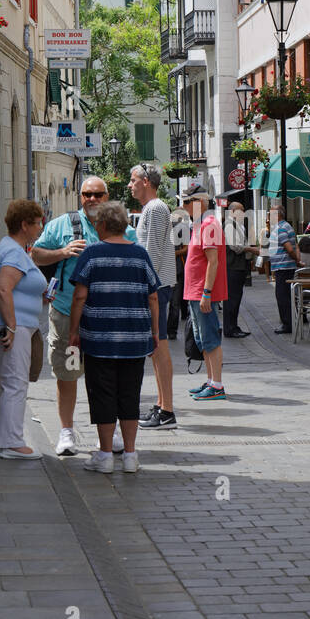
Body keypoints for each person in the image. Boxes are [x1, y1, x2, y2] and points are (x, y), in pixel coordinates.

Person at [31, 177, 135, 455]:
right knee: (68, 372)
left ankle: (108, 432)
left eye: (97, 194)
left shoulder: (122, 227)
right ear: (80, 196)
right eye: (86, 194)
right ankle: (66, 432)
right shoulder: (61, 225)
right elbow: (36, 254)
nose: (92, 199)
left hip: (107, 318)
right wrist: (62, 252)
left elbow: (135, 258)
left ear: (107, 195)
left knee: (107, 376)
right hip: (66, 314)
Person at [68, 201, 160, 473]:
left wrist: (73, 331)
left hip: (99, 340)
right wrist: (154, 332)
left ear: (103, 226)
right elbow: (153, 297)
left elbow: (80, 295)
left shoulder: (92, 254)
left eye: (97, 223)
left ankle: (105, 455)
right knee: (130, 396)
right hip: (134, 339)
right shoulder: (141, 255)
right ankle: (130, 456)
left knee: (103, 395)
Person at [0, 200, 48, 460]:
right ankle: (12, 443)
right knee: (16, 383)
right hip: (11, 325)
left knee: (7, 382)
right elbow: (3, 289)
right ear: (24, 225)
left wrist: (38, 298)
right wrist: (11, 325)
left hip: (12, 322)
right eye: (38, 222)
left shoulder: (14, 249)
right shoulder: (14, 252)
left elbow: (13, 288)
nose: (41, 227)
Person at [129, 162, 178, 428]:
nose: (129, 184)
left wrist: (145, 287)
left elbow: (154, 253)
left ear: (146, 181)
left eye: (133, 179)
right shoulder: (152, 209)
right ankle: (161, 405)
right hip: (156, 286)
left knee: (159, 347)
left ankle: (167, 410)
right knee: (156, 348)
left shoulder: (156, 208)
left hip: (156, 287)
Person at [183, 179, 228, 399]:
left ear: (199, 202)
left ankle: (217, 385)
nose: (183, 207)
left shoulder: (209, 224)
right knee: (202, 338)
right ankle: (211, 381)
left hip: (202, 291)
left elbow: (213, 262)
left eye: (187, 202)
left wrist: (207, 292)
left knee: (209, 337)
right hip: (196, 291)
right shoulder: (201, 224)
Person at [223, 201, 257, 337]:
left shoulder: (238, 225)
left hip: (239, 267)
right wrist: (251, 249)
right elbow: (235, 247)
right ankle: (230, 328)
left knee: (236, 298)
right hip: (232, 267)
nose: (243, 213)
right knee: (232, 299)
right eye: (241, 210)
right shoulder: (230, 225)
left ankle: (234, 326)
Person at [269, 200, 300, 334]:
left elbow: (289, 248)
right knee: (285, 296)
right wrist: (297, 260)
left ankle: (287, 324)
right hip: (285, 266)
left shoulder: (281, 228)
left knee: (282, 296)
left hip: (284, 267)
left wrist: (295, 259)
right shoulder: (287, 226)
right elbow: (295, 245)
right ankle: (288, 322)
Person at [168, 206, 190, 337]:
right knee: (174, 302)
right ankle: (170, 331)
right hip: (176, 269)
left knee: (171, 302)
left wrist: (170, 254)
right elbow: (186, 249)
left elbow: (186, 249)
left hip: (172, 268)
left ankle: (169, 331)